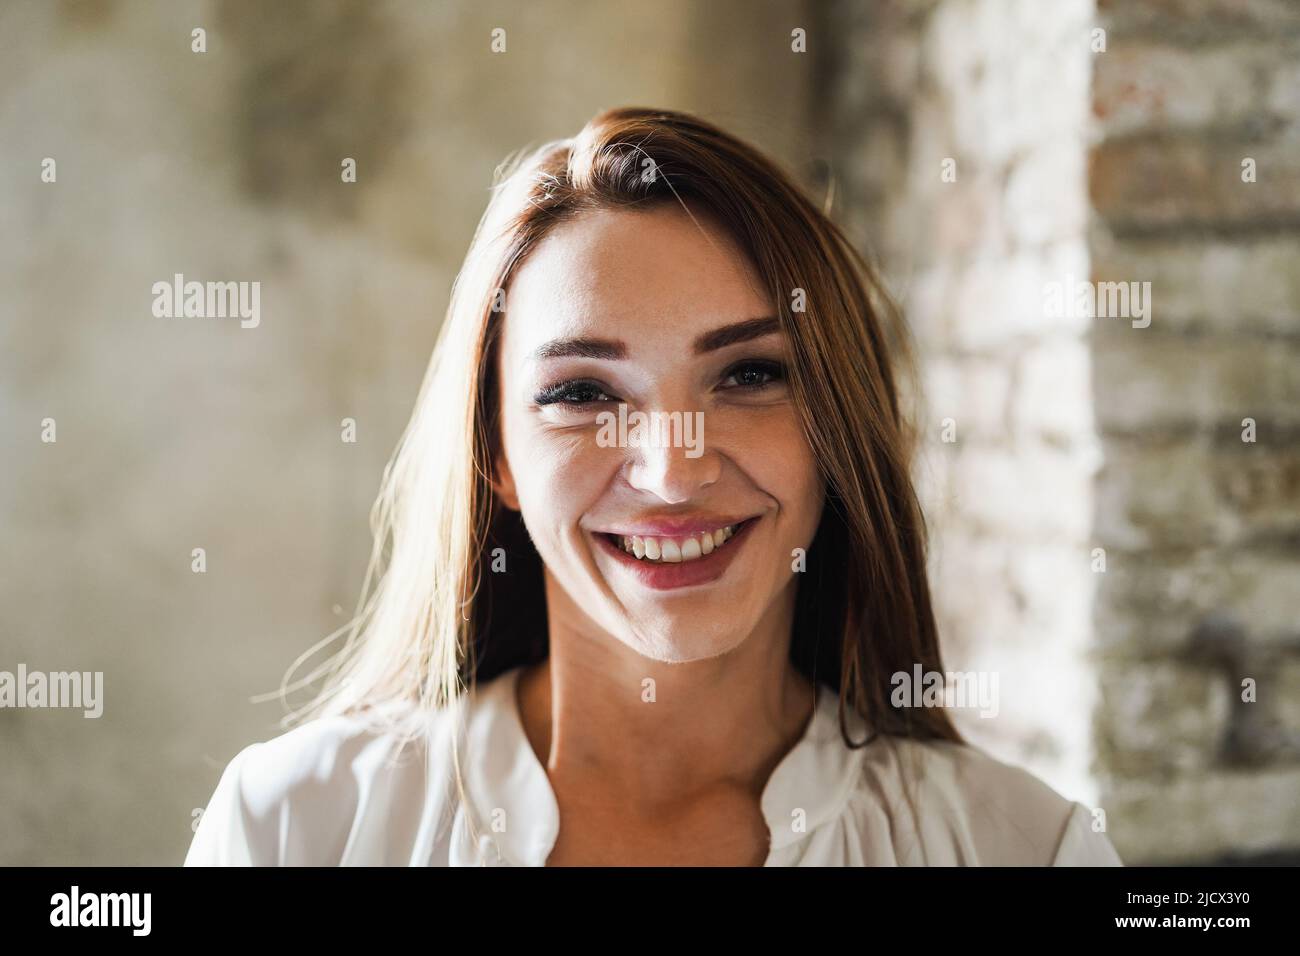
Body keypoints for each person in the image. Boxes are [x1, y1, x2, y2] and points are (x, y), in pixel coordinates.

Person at [185, 107, 1123, 867]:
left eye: (749, 375)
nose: (673, 470)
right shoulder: (291, 829)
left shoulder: (1027, 850)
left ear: (835, 428)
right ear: (496, 457)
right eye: (584, 393)